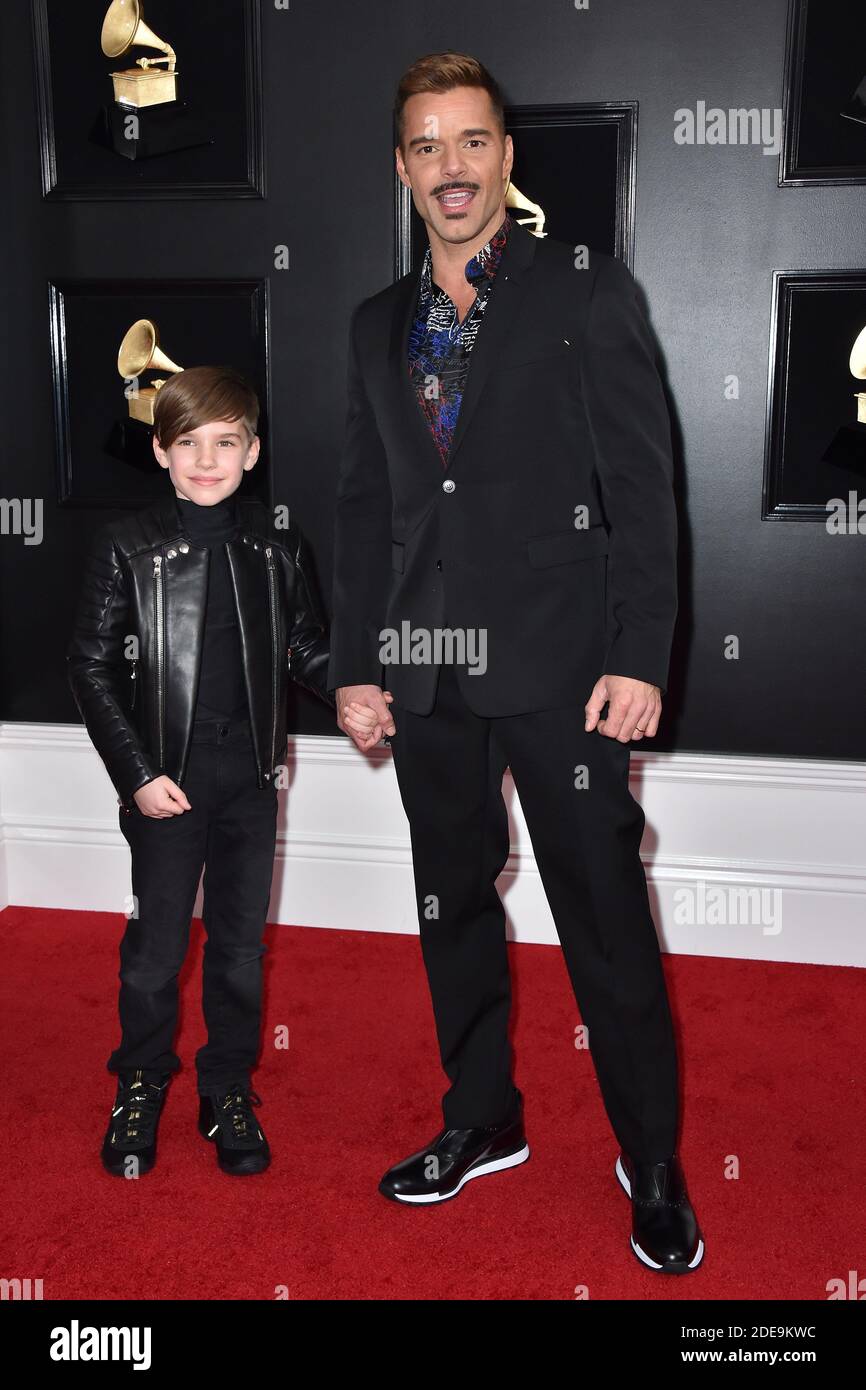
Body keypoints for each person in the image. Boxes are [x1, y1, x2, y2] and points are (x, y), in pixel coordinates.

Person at [327, 52, 704, 1272]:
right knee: (451, 908)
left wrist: (641, 651)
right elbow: (360, 502)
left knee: (602, 919)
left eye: (472, 142)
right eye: (427, 146)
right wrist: (356, 661)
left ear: (504, 157)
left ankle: (648, 1157)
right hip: (427, 666)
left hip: (563, 666)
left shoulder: (583, 292)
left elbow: (643, 489)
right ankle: (483, 1115)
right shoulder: (375, 324)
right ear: (401, 166)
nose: (451, 167)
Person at [67, 365, 379, 1178]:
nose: (209, 460)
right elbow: (91, 670)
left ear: (252, 452)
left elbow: (304, 644)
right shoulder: (125, 548)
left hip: (251, 780)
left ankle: (227, 1084)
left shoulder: (276, 546)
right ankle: (140, 1079)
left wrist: (348, 692)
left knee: (240, 948)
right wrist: (136, 771)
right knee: (156, 950)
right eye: (191, 444)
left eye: (227, 443)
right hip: (164, 784)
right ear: (163, 452)